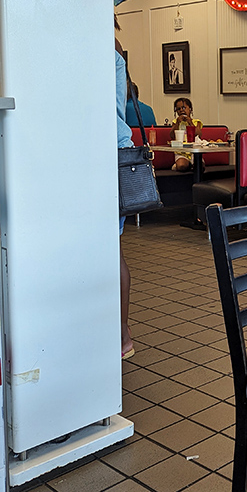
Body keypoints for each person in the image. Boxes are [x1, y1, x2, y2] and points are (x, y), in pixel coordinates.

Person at [115, 22, 134, 359]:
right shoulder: (115, 53)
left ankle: (118, 335)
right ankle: (121, 335)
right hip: (117, 155)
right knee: (111, 251)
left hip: (94, 162)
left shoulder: (87, 50)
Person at [171, 97, 203, 172]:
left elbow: (199, 134)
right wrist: (178, 123)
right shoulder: (175, 122)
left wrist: (190, 122)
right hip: (181, 151)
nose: (181, 110)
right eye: (178, 109)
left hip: (194, 151)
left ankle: (191, 165)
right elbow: (172, 135)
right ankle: (184, 165)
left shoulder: (196, 122)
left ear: (190, 109)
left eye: (184, 108)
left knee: (200, 166)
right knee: (182, 166)